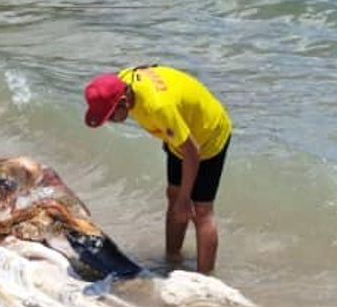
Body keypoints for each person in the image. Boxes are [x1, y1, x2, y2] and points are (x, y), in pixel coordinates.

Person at [83, 65, 231, 274]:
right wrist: (180, 197)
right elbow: (148, 68)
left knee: (201, 211)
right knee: (173, 195)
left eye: (110, 115)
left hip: (208, 135)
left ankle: (205, 279)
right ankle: (172, 261)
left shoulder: (159, 108)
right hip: (180, 133)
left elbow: (192, 152)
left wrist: (185, 197)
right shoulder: (124, 80)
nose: (109, 121)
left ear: (124, 101)